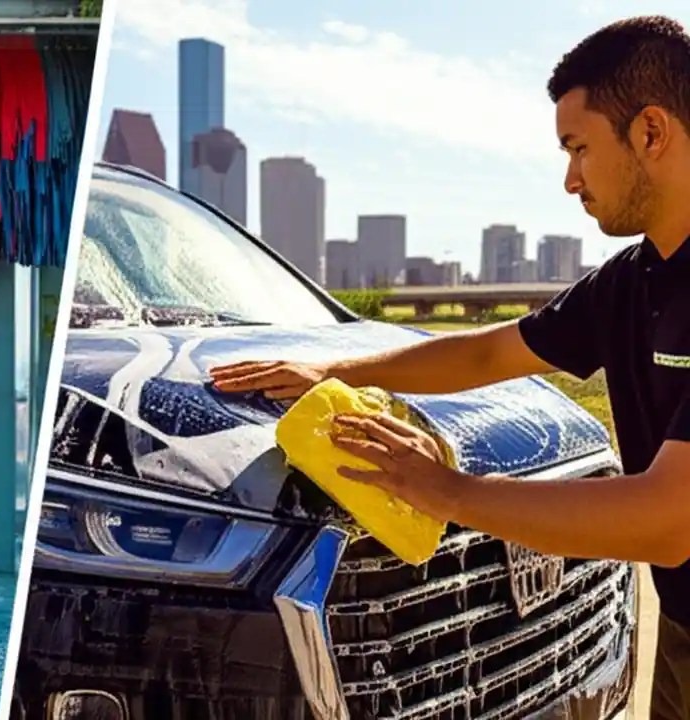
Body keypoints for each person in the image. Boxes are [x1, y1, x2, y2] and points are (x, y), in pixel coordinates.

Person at [208, 14, 690, 720]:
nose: (569, 179)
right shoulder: (633, 280)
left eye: (579, 148)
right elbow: (490, 350)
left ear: (650, 132)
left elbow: (668, 520)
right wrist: (342, 375)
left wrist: (448, 491)